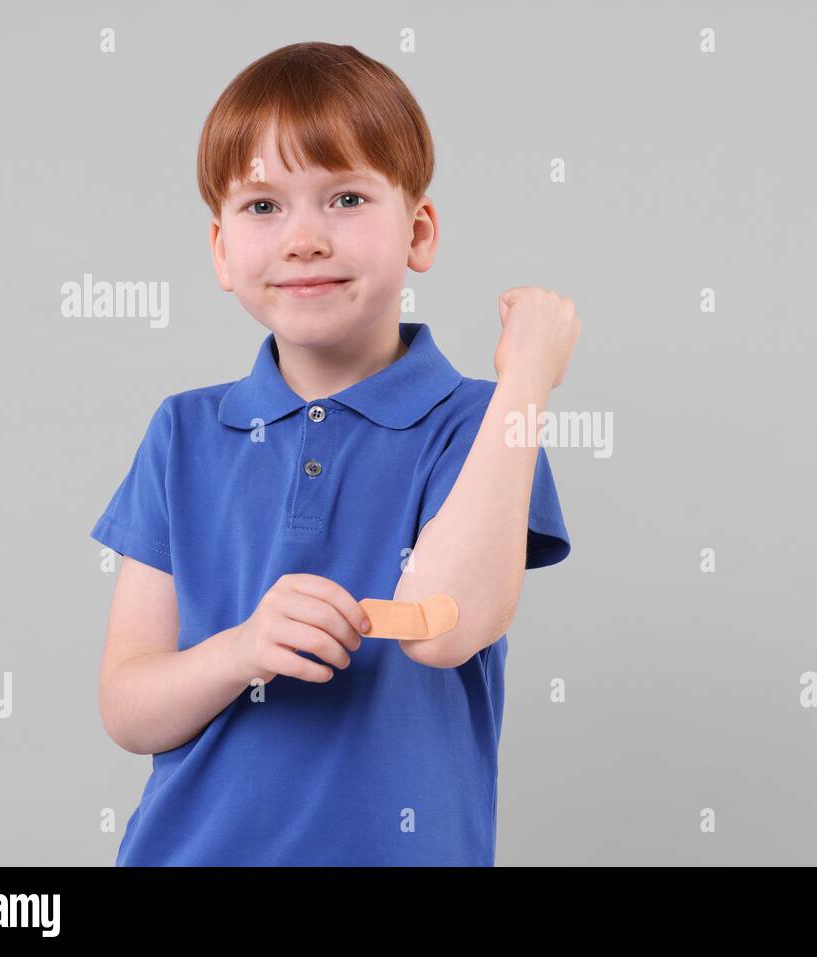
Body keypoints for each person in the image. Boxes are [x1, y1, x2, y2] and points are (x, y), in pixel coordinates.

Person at [90, 41, 580, 866]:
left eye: (345, 197)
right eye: (262, 207)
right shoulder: (181, 432)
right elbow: (129, 706)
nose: (304, 238)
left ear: (419, 230)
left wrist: (525, 377)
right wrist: (240, 650)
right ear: (219, 249)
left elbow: (442, 628)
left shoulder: (476, 424)